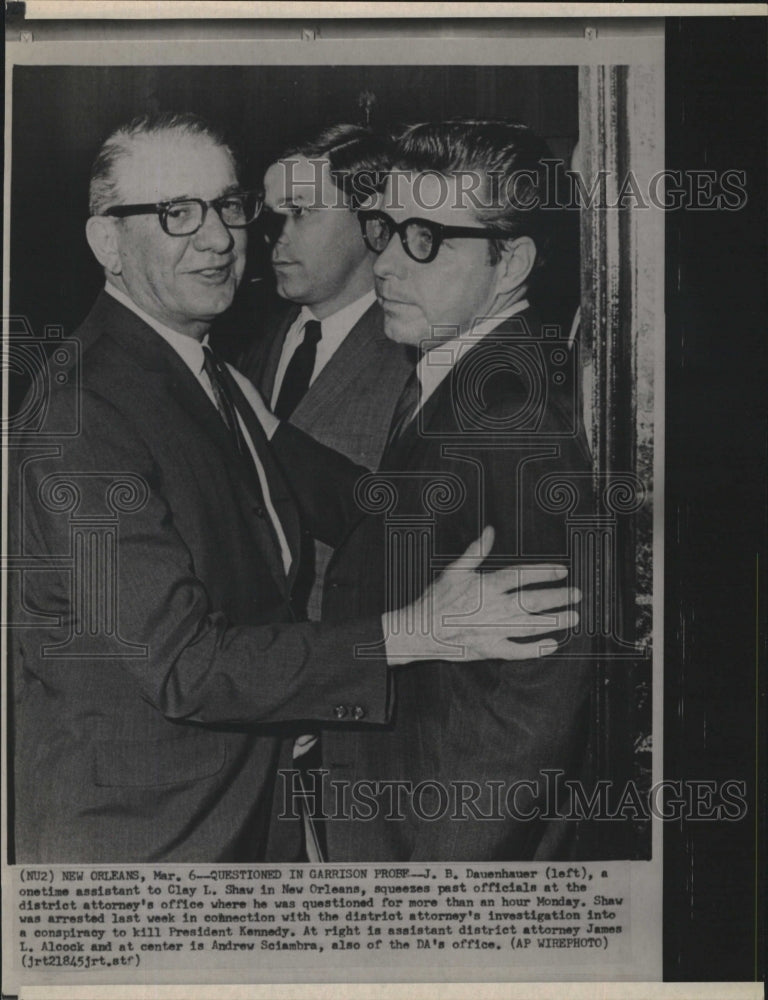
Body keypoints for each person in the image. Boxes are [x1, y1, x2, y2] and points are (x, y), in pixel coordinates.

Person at [8, 112, 579, 864]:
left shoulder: (200, 374)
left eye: (227, 205)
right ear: (107, 242)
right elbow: (183, 667)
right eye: (176, 213)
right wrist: (409, 632)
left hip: (256, 821)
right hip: (151, 841)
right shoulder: (87, 411)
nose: (217, 238)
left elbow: (388, 521)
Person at [252, 119, 596, 861]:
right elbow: (397, 520)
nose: (385, 268)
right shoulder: (463, 377)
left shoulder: (509, 418)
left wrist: (434, 897)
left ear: (511, 263)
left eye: (428, 240)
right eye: (387, 228)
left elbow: (531, 708)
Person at [239, 124, 412, 618]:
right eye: (274, 216)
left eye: (301, 212)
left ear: (372, 223)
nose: (277, 237)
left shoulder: (413, 356)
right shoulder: (257, 338)